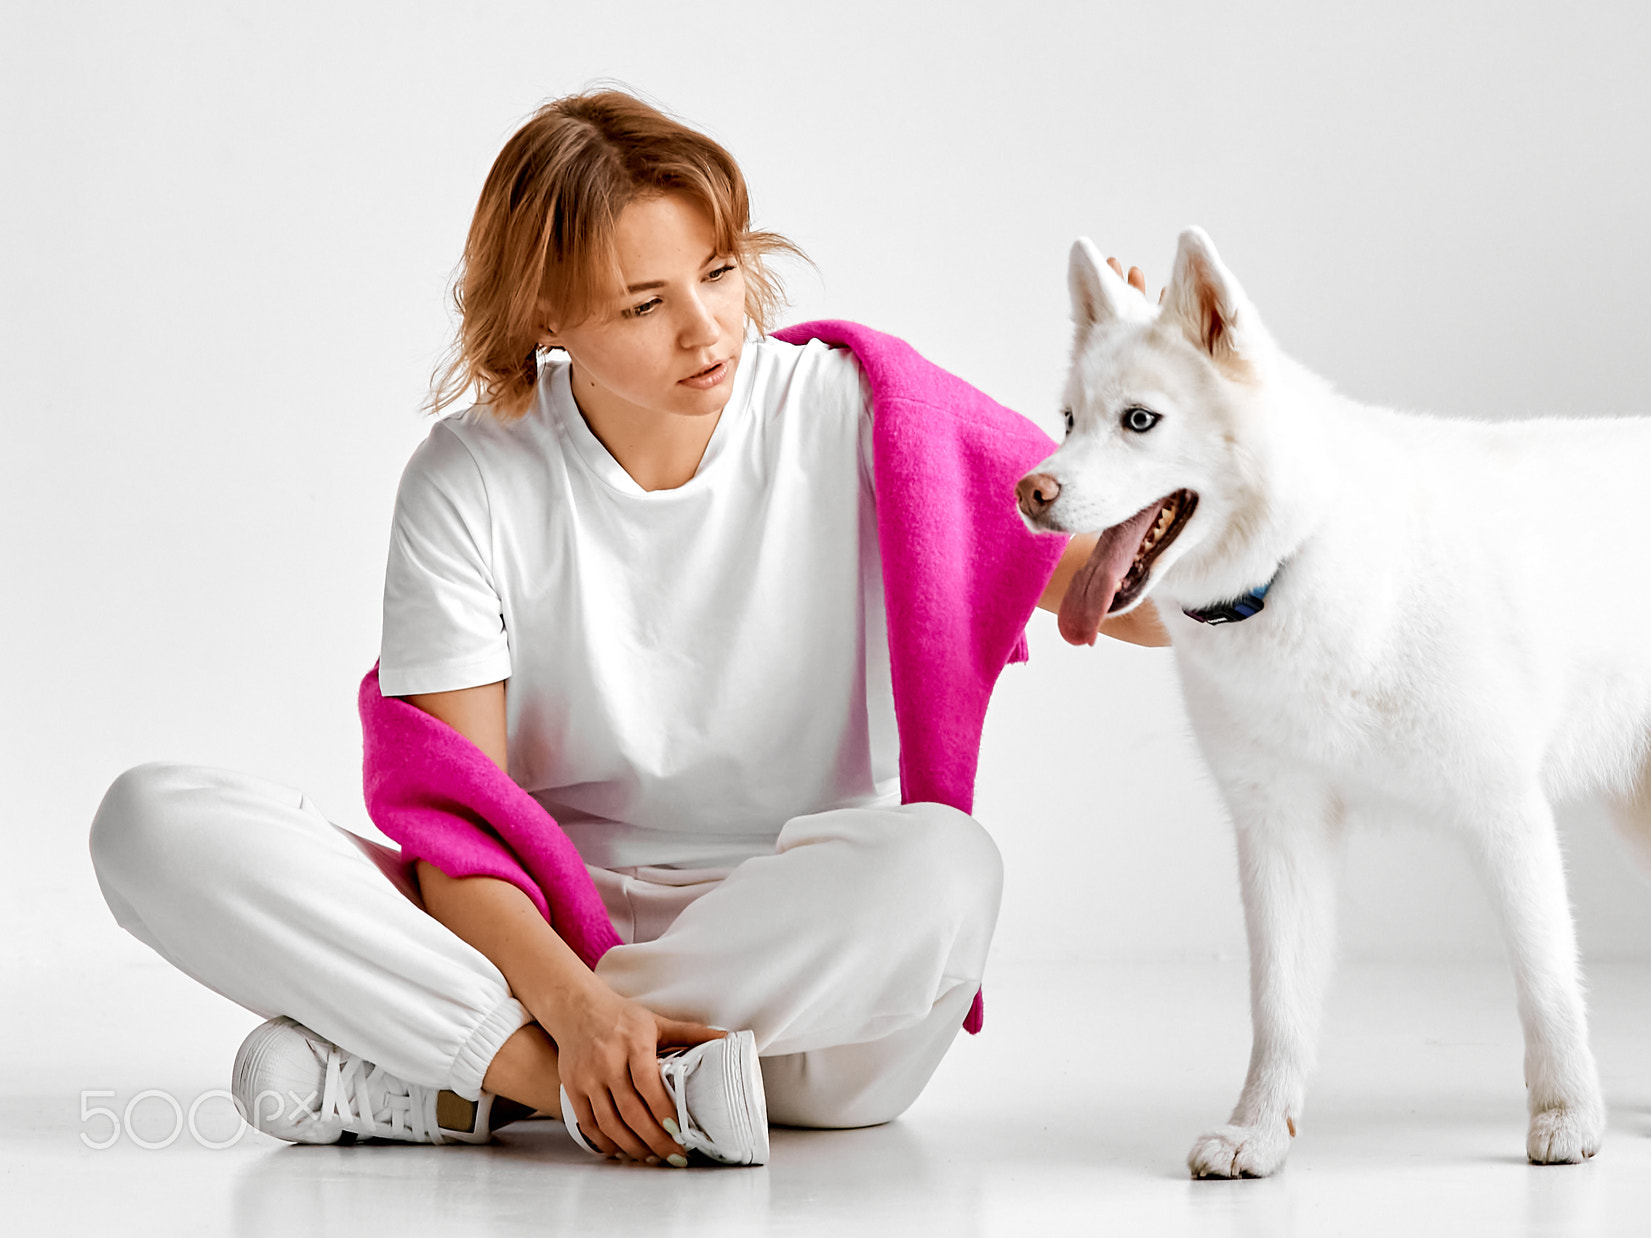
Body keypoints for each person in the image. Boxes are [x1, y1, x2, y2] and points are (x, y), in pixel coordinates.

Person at [88, 89, 1164, 1168]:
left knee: (944, 868)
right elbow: (461, 833)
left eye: (720, 270)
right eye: (644, 304)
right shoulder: (472, 477)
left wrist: (1176, 428)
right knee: (151, 822)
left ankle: (467, 1071)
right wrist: (572, 1008)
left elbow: (1146, 609)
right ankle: (585, 1082)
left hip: (812, 987)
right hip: (540, 930)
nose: (708, 328)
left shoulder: (864, 415)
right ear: (546, 318)